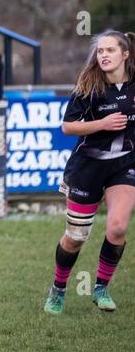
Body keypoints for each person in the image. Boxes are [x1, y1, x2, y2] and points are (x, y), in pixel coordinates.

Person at [46, 29, 135, 314]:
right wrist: (102, 123)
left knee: (118, 226)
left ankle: (101, 288)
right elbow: (68, 126)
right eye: (100, 51)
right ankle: (58, 289)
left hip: (124, 165)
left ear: (125, 54)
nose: (104, 55)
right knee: (76, 236)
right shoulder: (89, 85)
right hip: (88, 167)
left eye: (110, 50)